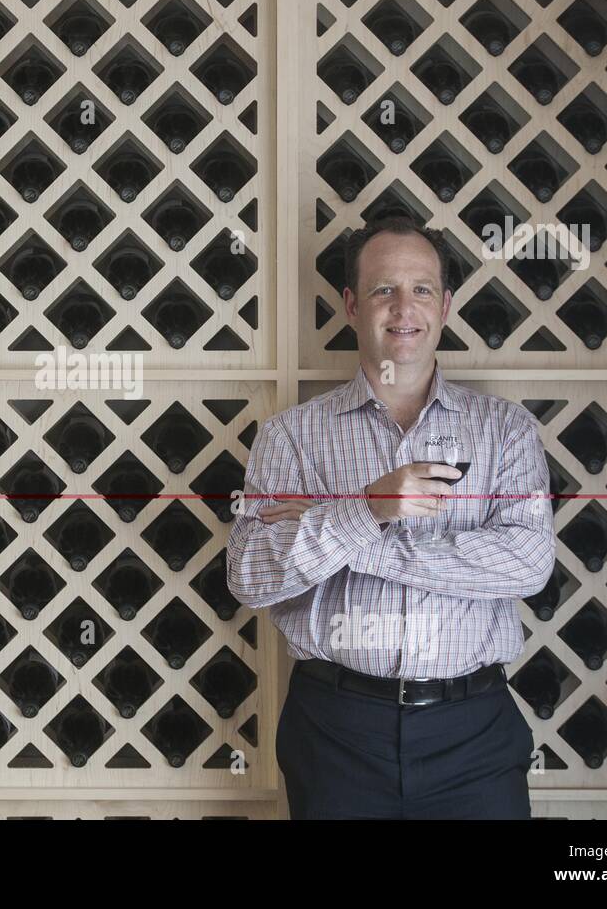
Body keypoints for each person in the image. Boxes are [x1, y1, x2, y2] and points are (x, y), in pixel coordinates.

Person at [226, 214, 555, 819]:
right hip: (335, 733)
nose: (404, 307)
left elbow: (526, 565)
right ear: (352, 305)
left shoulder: (505, 431)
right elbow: (249, 575)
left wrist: (352, 532)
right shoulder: (290, 438)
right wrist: (369, 507)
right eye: (384, 289)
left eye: (422, 289)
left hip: (474, 733)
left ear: (446, 305)